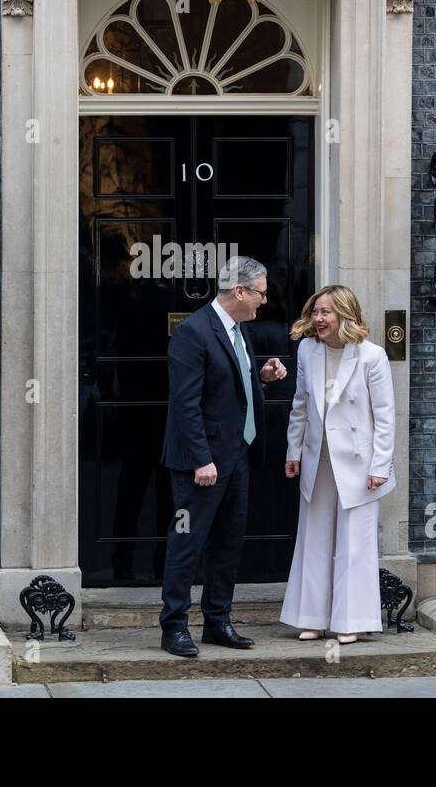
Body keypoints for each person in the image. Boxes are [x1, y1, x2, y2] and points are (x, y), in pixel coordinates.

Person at [158, 255, 287, 657]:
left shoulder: (238, 330)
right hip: (202, 462)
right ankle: (174, 626)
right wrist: (201, 460)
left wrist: (261, 377)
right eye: (261, 294)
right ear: (240, 291)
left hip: (237, 455)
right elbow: (185, 405)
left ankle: (217, 621)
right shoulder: (193, 332)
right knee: (187, 542)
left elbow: (229, 386)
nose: (264, 301)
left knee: (228, 543)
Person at [280, 284, 395, 642]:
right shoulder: (307, 350)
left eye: (325, 312)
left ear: (344, 314)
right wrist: (293, 451)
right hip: (319, 458)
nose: (318, 318)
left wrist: (380, 466)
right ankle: (311, 618)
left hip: (360, 464)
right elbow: (300, 404)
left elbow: (385, 415)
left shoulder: (371, 355)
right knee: (313, 538)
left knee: (355, 543)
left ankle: (352, 622)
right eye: (315, 311)